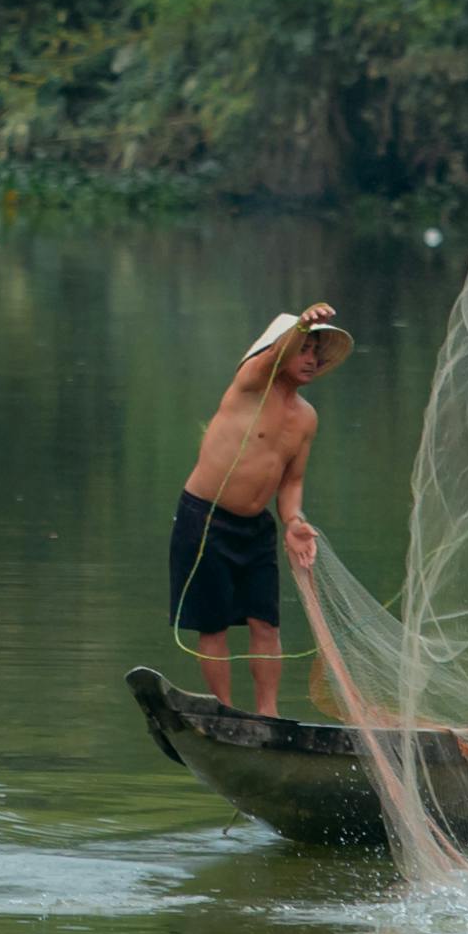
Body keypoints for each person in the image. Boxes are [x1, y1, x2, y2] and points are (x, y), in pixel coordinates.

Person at [171, 303, 346, 715]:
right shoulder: (249, 384)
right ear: (283, 350)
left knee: (265, 623)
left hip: (256, 529)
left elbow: (293, 482)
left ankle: (267, 715)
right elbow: (267, 359)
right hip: (205, 518)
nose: (312, 359)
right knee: (212, 625)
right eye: (304, 348)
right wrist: (301, 322)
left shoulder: (306, 418)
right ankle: (226, 711)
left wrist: (294, 521)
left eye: (316, 351)